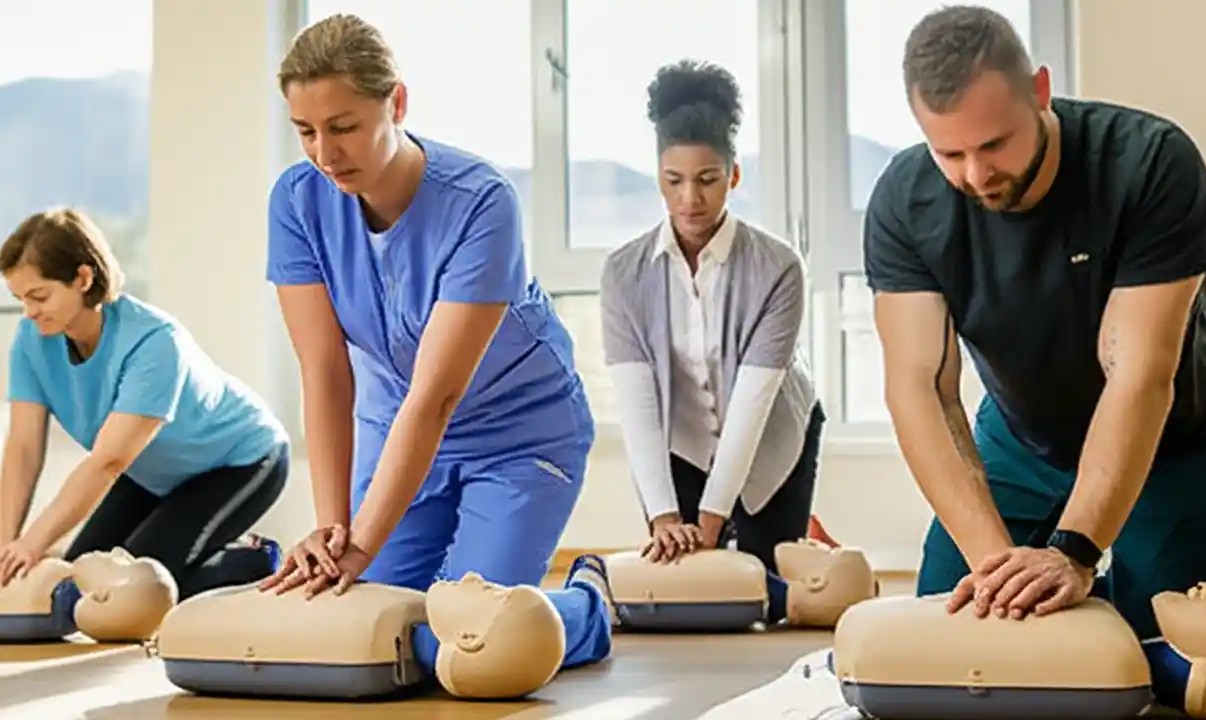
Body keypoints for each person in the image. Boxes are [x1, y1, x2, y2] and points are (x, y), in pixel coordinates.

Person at [864, 5, 1206, 644]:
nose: (976, 175)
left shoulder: (1150, 163)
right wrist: (998, 572)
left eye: (994, 145)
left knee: (1174, 656)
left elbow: (1139, 376)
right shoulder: (905, 200)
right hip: (1021, 438)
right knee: (955, 634)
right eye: (950, 153)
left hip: (1172, 440)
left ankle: (1190, 587)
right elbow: (919, 390)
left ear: (1040, 92)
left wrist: (1073, 550)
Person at [255, 13, 611, 670]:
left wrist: (361, 546)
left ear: (397, 102)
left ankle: (586, 604)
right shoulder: (297, 201)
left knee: (467, 640)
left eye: (343, 127)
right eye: (305, 132)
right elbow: (325, 372)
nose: (325, 155)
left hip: (519, 437)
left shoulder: (481, 202)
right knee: (365, 627)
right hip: (394, 430)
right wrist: (336, 532)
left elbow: (436, 393)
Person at [599, 59, 825, 624]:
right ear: (658, 176)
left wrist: (712, 519)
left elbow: (753, 403)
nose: (690, 200)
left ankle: (811, 542)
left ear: (734, 177)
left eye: (707, 180)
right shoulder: (624, 273)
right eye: (673, 181)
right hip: (684, 441)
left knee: (764, 598)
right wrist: (663, 516)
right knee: (686, 590)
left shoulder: (778, 266)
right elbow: (638, 405)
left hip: (772, 438)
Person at [0, 208, 289, 600]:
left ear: (83, 278)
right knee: (82, 578)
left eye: (39, 296)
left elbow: (108, 462)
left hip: (237, 461)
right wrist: (5, 547)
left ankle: (257, 561)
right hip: (152, 471)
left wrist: (32, 544)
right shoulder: (32, 341)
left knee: (132, 590)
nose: (29, 312)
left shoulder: (154, 342)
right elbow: (22, 449)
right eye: (20, 299)